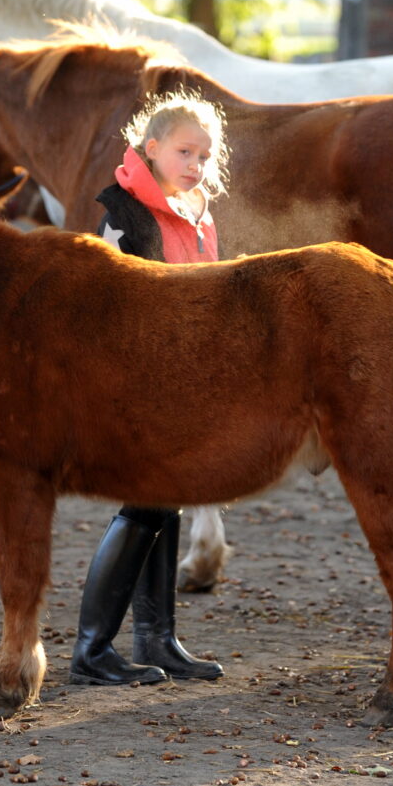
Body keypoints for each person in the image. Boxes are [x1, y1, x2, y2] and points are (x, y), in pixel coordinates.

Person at [68, 91, 229, 686]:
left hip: (180, 380)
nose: (197, 165)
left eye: (206, 156)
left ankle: (157, 638)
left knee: (168, 497)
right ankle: (92, 650)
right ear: (153, 148)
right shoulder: (122, 214)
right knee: (143, 502)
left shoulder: (196, 215)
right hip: (131, 380)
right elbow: (108, 307)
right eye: (186, 151)